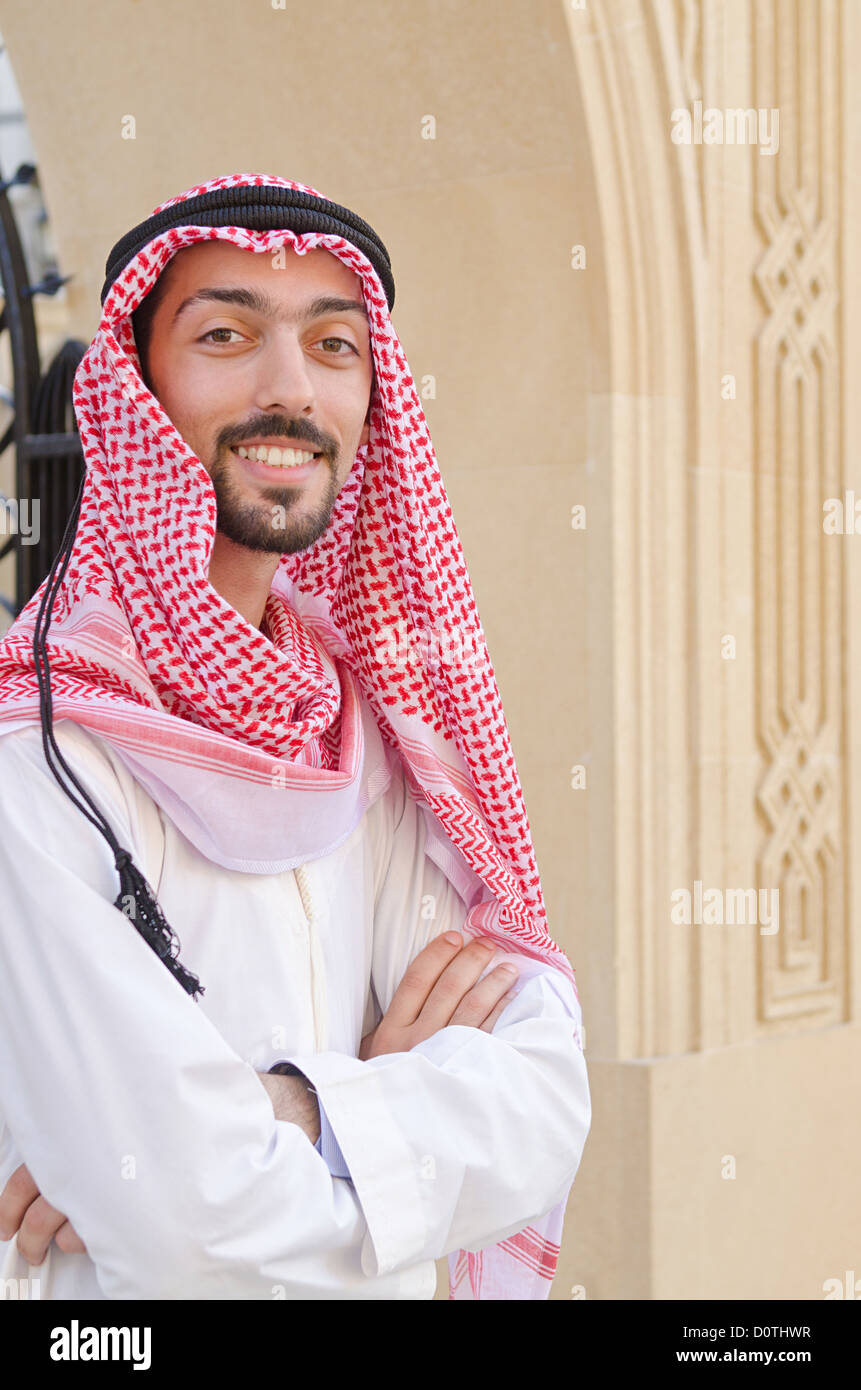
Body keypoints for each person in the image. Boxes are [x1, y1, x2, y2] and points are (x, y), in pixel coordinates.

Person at [0, 173, 591, 1300]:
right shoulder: (41, 757)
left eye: (335, 345)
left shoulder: (374, 732)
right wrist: (395, 1120)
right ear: (136, 387)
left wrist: (303, 1106)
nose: (293, 390)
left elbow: (549, 1095)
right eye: (226, 334)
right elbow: (185, 1220)